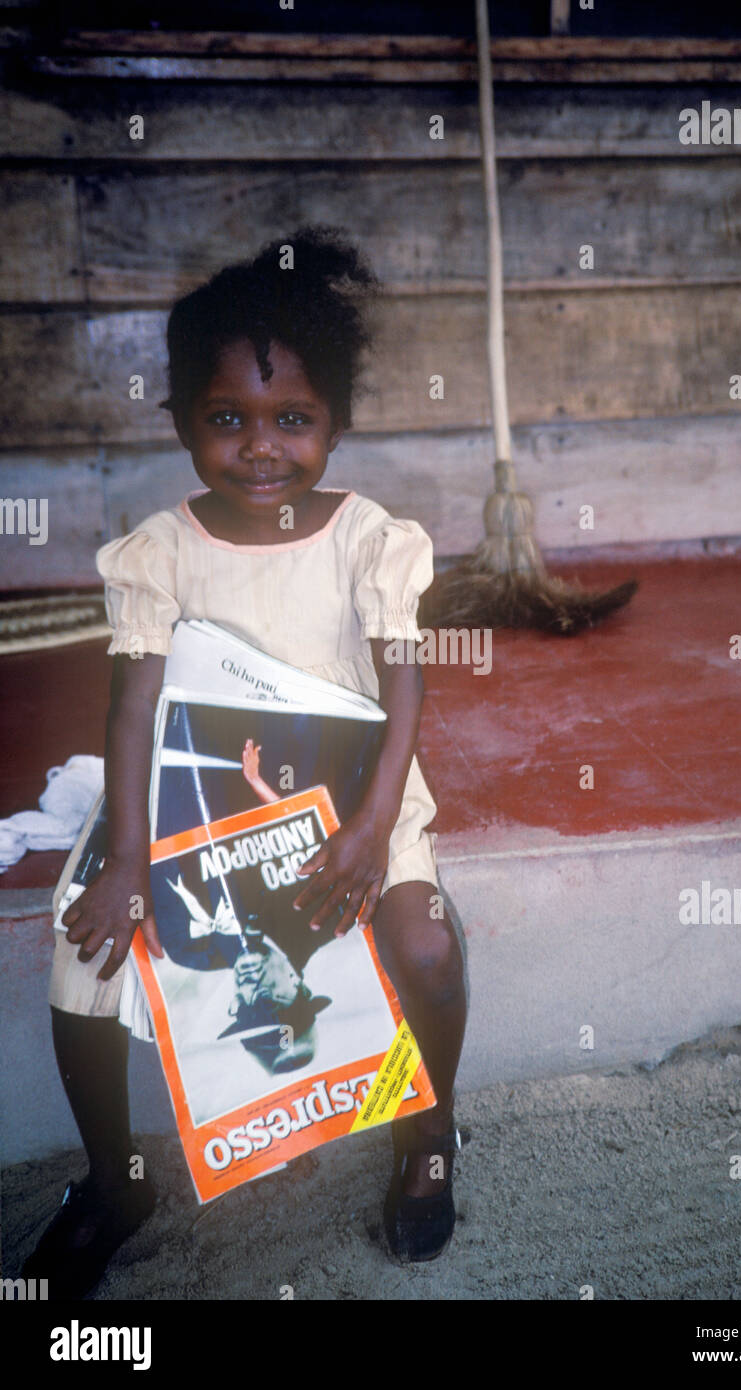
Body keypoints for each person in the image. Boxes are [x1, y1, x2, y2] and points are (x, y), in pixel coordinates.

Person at [24, 227, 468, 1294]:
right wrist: (129, 858)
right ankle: (116, 1175)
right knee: (83, 962)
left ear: (335, 426)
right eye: (226, 419)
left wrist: (368, 833)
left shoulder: (369, 539)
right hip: (196, 797)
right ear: (181, 419)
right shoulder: (160, 550)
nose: (259, 447)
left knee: (429, 942)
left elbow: (403, 686)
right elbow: (133, 707)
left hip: (357, 789)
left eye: (291, 420)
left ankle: (431, 1133)